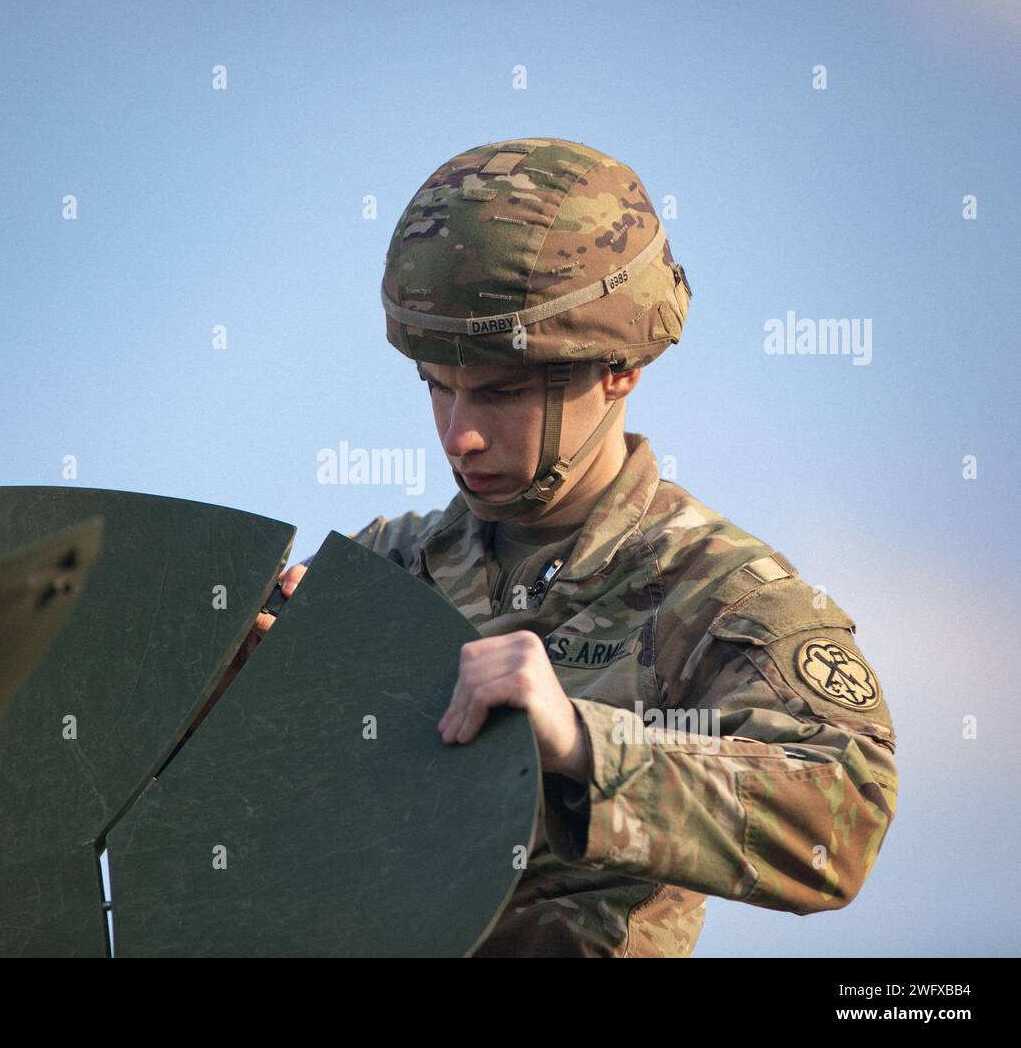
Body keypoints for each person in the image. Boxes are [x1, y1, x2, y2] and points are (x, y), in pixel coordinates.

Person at [242, 137, 897, 957]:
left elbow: (845, 811)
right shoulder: (386, 569)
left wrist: (580, 741)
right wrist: (234, 693)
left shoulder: (718, 592)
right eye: (437, 389)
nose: (461, 435)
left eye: (503, 392)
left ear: (619, 369)